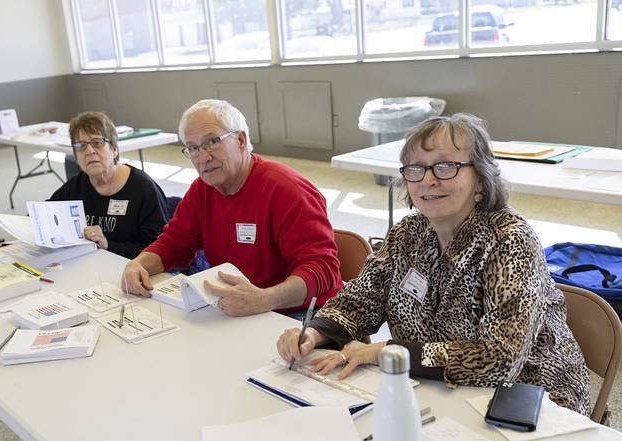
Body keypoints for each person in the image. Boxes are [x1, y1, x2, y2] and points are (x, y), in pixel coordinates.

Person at [276, 113, 591, 414]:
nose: (427, 180)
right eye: (415, 168)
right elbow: (360, 300)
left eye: (445, 167)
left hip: (528, 398)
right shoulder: (408, 233)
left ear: (481, 179)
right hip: (435, 388)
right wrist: (314, 333)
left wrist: (389, 351)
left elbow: (501, 358)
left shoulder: (510, 241)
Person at [122, 99, 342, 317]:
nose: (203, 157)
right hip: (237, 306)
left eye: (213, 141)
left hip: (302, 312)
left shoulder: (287, 190)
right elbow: (174, 243)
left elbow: (323, 269)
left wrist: (263, 299)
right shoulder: (202, 190)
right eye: (193, 148)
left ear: (241, 140)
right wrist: (138, 264)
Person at [48, 111, 168, 259]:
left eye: (97, 143)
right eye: (81, 146)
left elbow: (159, 250)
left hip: (132, 269)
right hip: (90, 265)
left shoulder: (143, 189)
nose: (90, 151)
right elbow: (42, 215)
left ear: (114, 149)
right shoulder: (77, 185)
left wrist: (108, 246)